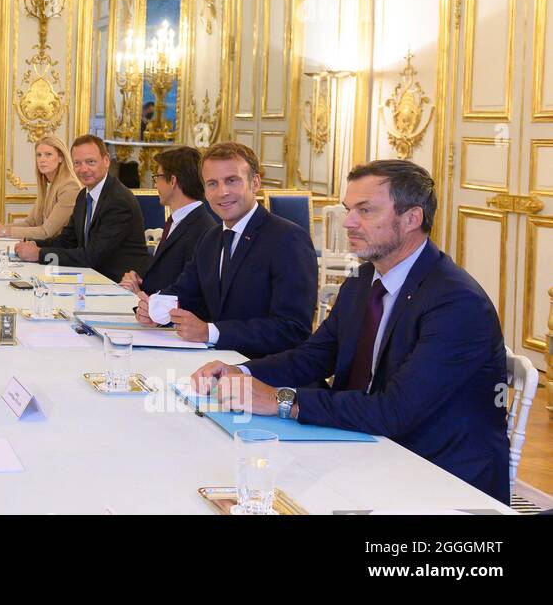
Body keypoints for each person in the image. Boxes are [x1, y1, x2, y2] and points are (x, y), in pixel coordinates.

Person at [190, 160, 509, 502]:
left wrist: (280, 401)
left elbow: (394, 412)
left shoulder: (456, 303)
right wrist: (240, 371)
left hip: (437, 476)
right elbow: (313, 357)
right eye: (348, 209)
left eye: (365, 211)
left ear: (412, 218)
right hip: (364, 447)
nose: (348, 222)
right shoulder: (361, 281)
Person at [135, 141, 317, 359]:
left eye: (232, 181)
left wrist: (211, 332)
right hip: (214, 362)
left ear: (255, 182)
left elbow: (292, 329)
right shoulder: (211, 238)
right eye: (212, 184)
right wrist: (154, 309)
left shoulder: (287, 239)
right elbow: (185, 293)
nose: (222, 192)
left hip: (264, 372)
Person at [14, 134, 150, 281]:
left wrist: (40, 254)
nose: (83, 169)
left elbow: (92, 256)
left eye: (90, 162)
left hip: (119, 285)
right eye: (77, 163)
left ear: (106, 161)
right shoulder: (83, 195)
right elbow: (68, 240)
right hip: (91, 278)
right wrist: (33, 243)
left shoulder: (118, 201)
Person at [119, 145, 217, 295]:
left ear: (172, 181)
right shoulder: (177, 221)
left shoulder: (203, 230)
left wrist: (139, 294)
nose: (155, 184)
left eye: (157, 177)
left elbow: (188, 292)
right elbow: (166, 275)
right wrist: (140, 281)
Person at [0, 135, 81, 239]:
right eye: (39, 155)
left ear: (61, 157)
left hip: (59, 251)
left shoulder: (70, 186)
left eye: (48, 154)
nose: (42, 159)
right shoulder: (50, 185)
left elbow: (46, 232)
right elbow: (30, 223)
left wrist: (3, 231)